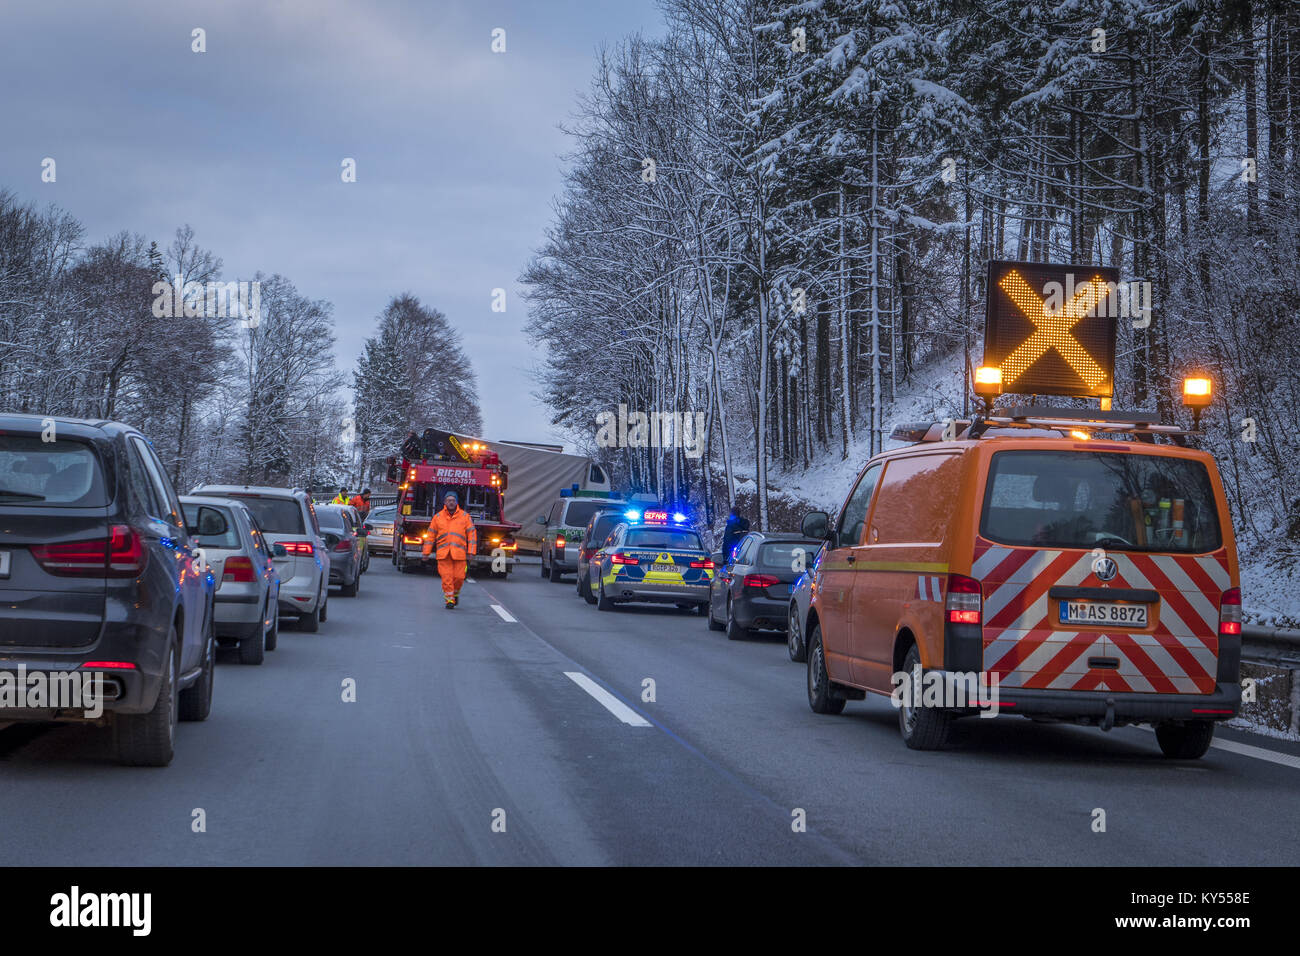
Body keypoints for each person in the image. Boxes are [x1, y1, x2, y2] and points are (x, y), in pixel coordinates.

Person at [422, 491, 477, 608]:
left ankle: (455, 594)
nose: (451, 503)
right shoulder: (437, 517)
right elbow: (430, 536)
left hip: (460, 554)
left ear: (456, 502)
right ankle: (449, 600)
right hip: (443, 554)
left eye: (453, 500)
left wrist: (471, 552)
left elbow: (472, 535)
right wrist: (426, 552)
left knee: (459, 577)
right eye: (448, 500)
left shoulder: (465, 517)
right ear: (444, 502)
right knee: (447, 577)